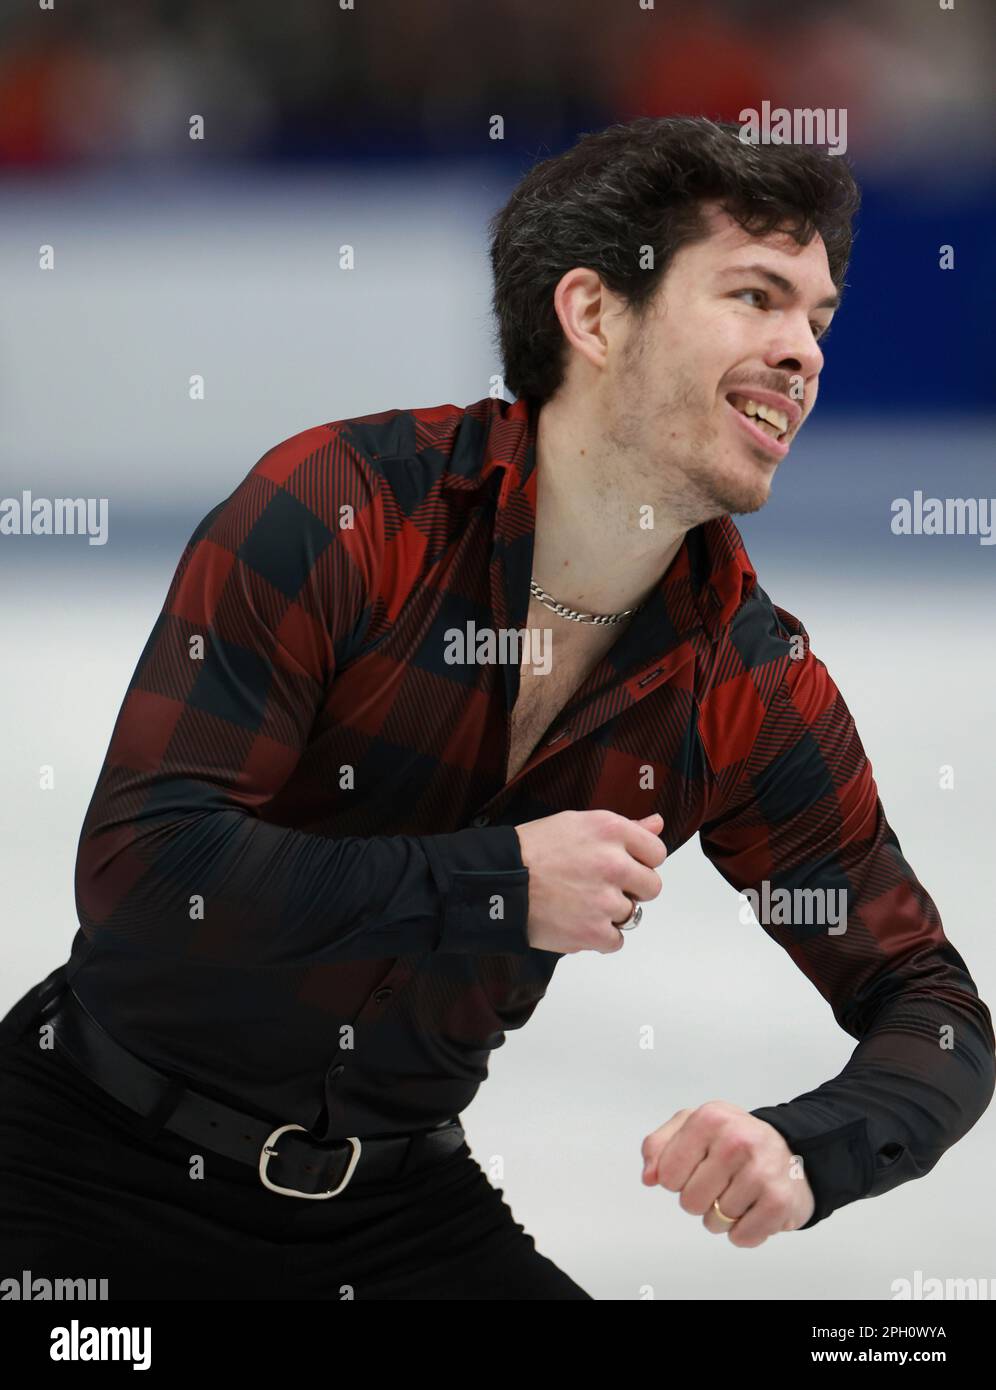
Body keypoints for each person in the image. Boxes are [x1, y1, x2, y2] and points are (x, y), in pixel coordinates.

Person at [2, 116, 992, 1300]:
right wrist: (496, 883)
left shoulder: (748, 685)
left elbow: (931, 1005)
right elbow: (146, 867)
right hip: (71, 1168)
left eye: (818, 319)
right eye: (755, 297)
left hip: (392, 1216)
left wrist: (808, 1146)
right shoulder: (346, 512)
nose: (804, 353)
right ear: (593, 315)